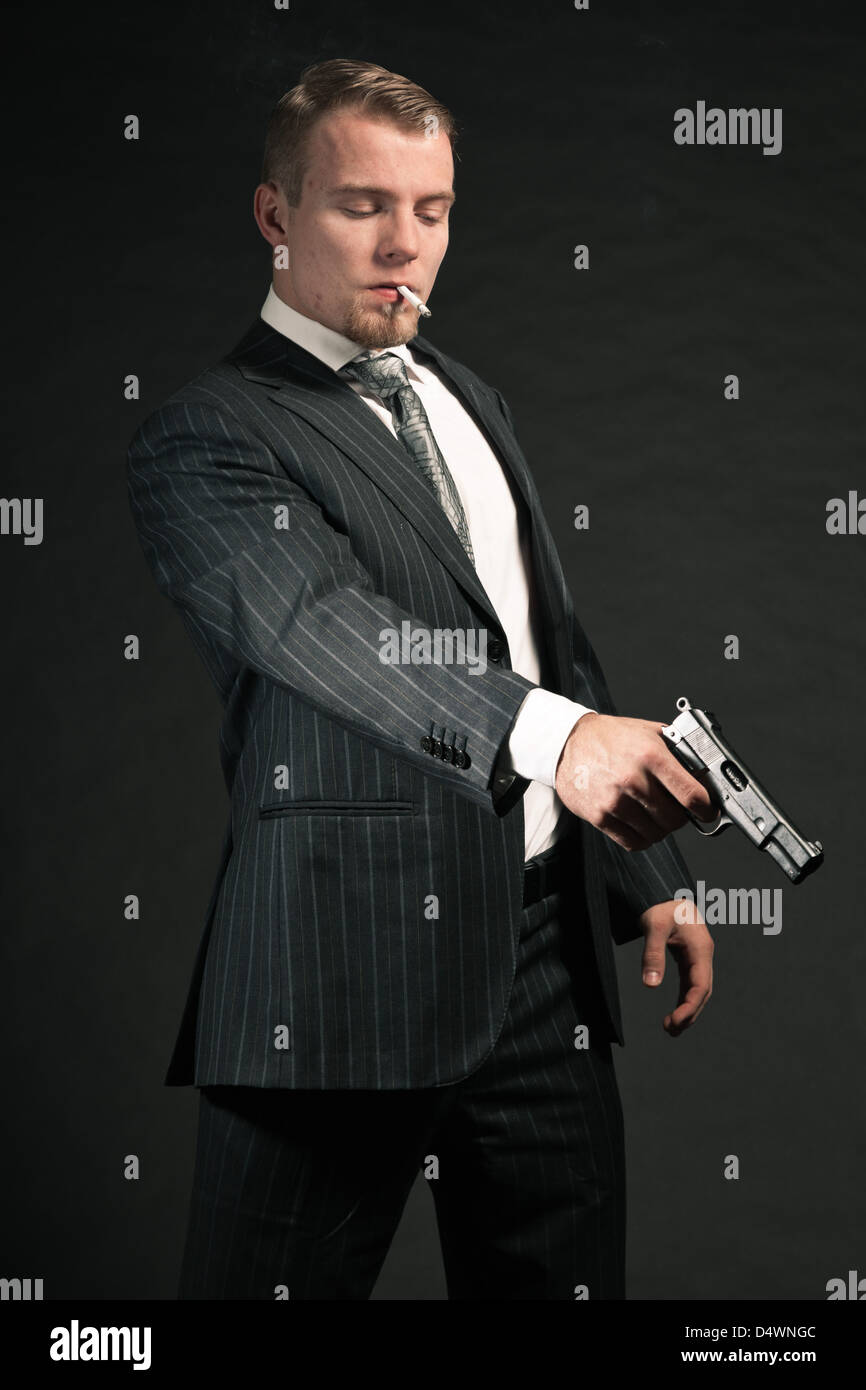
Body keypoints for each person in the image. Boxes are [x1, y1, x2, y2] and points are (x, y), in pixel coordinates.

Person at [126, 58, 715, 1301]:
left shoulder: (467, 398)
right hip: (336, 979)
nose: (406, 243)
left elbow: (545, 645)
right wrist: (559, 740)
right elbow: (324, 626)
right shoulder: (212, 431)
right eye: (361, 206)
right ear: (276, 217)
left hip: (546, 964)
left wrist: (636, 867)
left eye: (433, 210)